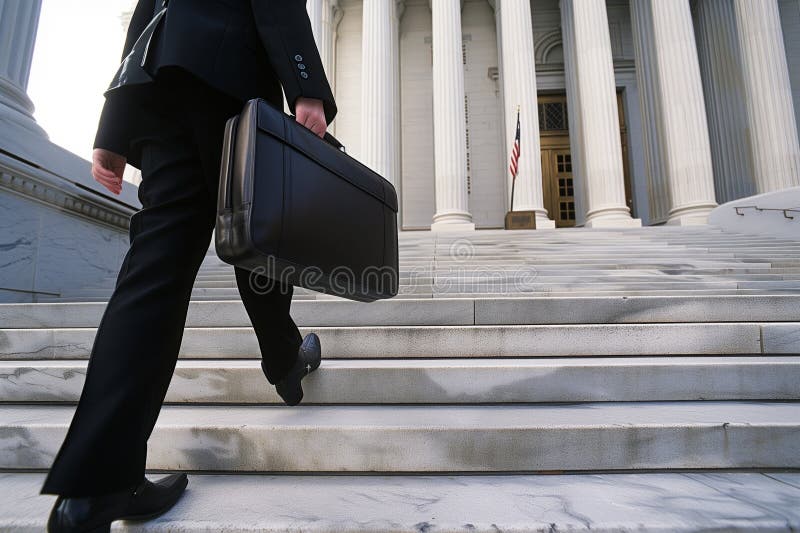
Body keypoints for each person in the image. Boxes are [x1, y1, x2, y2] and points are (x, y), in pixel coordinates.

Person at [41, 1, 337, 531]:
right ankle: (286, 357)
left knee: (154, 274)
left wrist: (112, 128)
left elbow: (147, 17)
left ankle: (92, 488)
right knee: (262, 231)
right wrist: (305, 83)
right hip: (229, 79)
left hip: (159, 87)